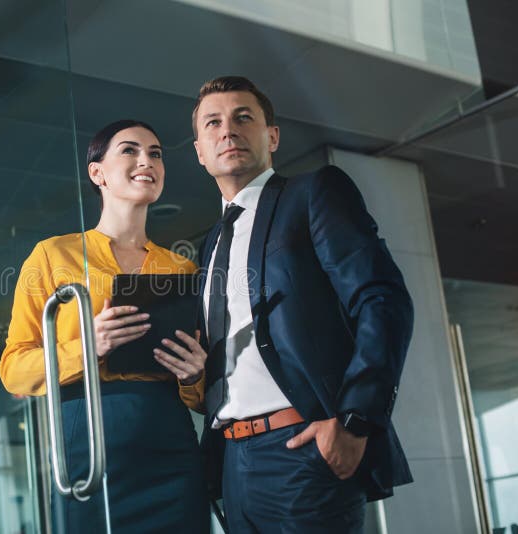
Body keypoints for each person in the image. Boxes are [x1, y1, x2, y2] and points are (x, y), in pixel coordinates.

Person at [190, 76, 414, 533]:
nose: (227, 131)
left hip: (303, 449)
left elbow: (381, 298)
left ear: (272, 136)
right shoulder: (210, 243)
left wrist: (355, 420)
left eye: (242, 117)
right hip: (233, 459)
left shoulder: (313, 194)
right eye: (213, 123)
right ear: (199, 151)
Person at [0, 120, 211, 534]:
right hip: (90, 439)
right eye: (130, 150)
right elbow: (13, 370)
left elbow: (201, 394)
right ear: (97, 173)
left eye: (155, 153)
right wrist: (88, 345)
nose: (146, 160)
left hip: (170, 442)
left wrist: (195, 374)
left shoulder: (182, 268)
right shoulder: (51, 256)